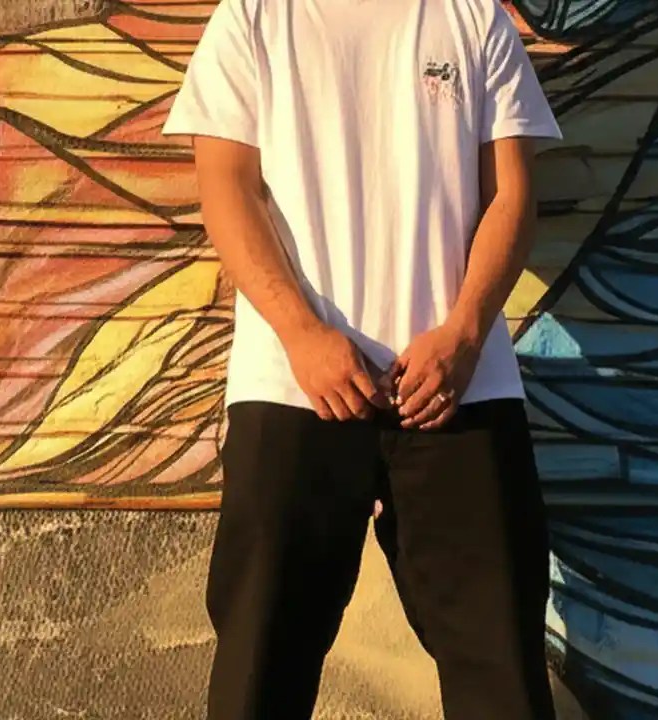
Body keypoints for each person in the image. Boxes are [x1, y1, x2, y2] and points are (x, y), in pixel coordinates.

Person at [162, 0, 562, 717]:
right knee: (261, 669)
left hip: (459, 391)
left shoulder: (472, 18)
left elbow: (512, 192)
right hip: (293, 388)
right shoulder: (253, 18)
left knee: (502, 674)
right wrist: (301, 336)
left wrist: (465, 336)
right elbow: (225, 187)